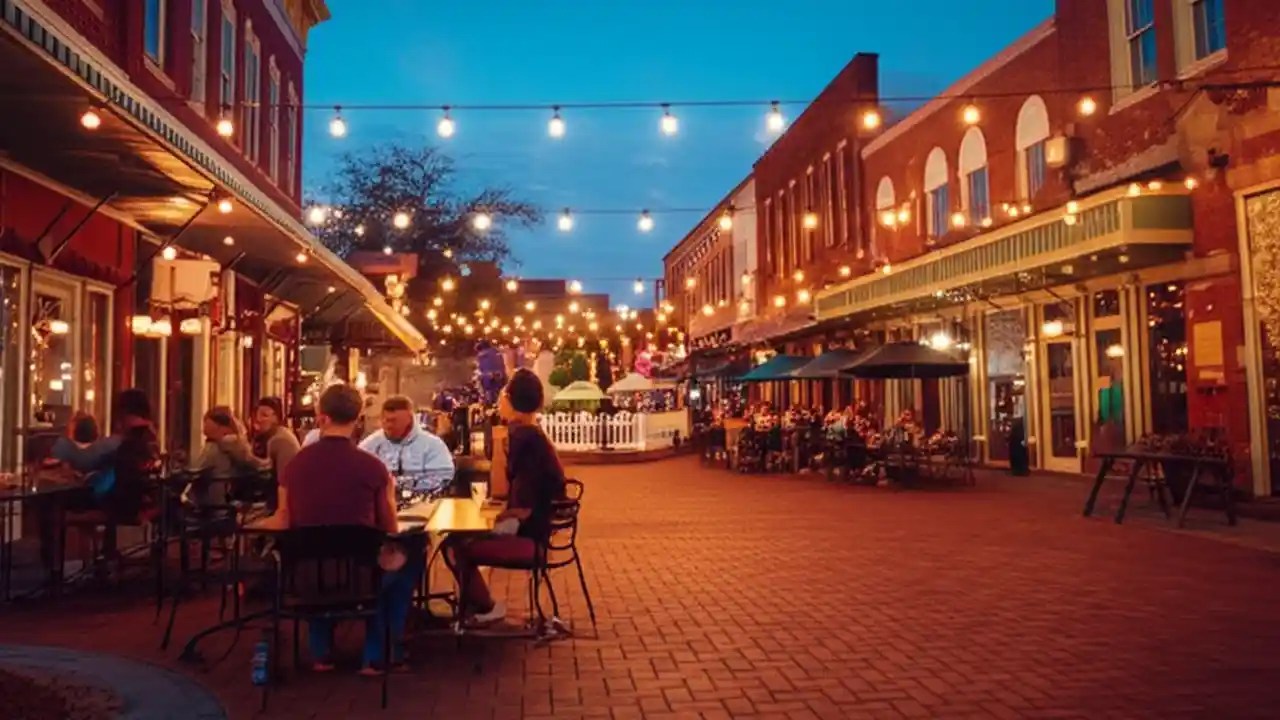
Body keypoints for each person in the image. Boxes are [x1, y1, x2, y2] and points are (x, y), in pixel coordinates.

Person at [260, 384, 415, 674]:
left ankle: (321, 653)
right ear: (358, 420)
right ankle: (377, 654)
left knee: (317, 552)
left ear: (321, 418)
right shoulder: (374, 468)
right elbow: (389, 526)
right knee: (406, 565)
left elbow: (283, 519)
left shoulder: (295, 466)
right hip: (361, 578)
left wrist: (254, 524)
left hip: (305, 578)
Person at [445, 369, 566, 625]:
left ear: (510, 400)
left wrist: (500, 442)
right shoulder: (536, 434)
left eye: (502, 397)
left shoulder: (522, 437)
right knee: (463, 536)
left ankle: (484, 606)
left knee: (455, 545)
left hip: (530, 532)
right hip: (540, 527)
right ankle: (479, 606)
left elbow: (505, 493)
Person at [359, 395, 454, 496]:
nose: (388, 425)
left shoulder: (433, 445)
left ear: (409, 419)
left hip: (424, 506)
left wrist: (403, 485)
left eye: (393, 421)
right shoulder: (369, 445)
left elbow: (443, 478)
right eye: (385, 420)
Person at [189, 406, 261, 507]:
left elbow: (195, 471)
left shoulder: (215, 448)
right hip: (231, 500)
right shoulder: (239, 444)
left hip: (212, 504)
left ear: (222, 428)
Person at [252, 397, 301, 476]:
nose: (258, 419)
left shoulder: (281, 440)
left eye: (264, 415)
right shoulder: (264, 438)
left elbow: (284, 480)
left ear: (276, 419)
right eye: (257, 415)